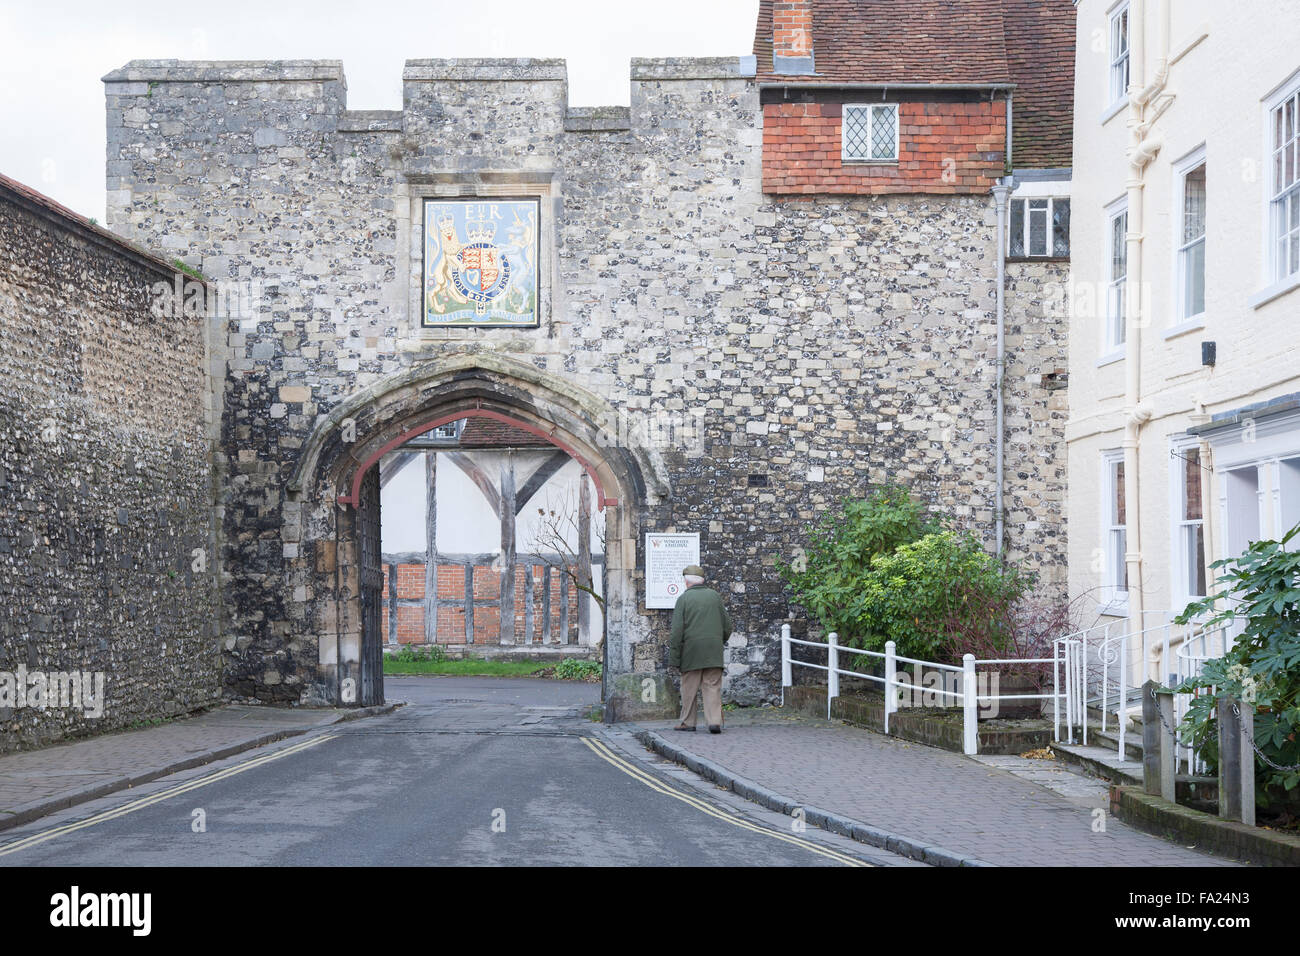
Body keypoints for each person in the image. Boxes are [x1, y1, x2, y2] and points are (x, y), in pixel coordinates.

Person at [668, 564, 732, 734]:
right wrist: (719, 640)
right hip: (713, 650)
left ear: (687, 582)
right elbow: (728, 625)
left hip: (691, 651)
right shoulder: (715, 596)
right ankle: (714, 722)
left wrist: (674, 657)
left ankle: (688, 722)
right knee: (712, 686)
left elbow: (676, 632)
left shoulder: (683, 599)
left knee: (689, 688)